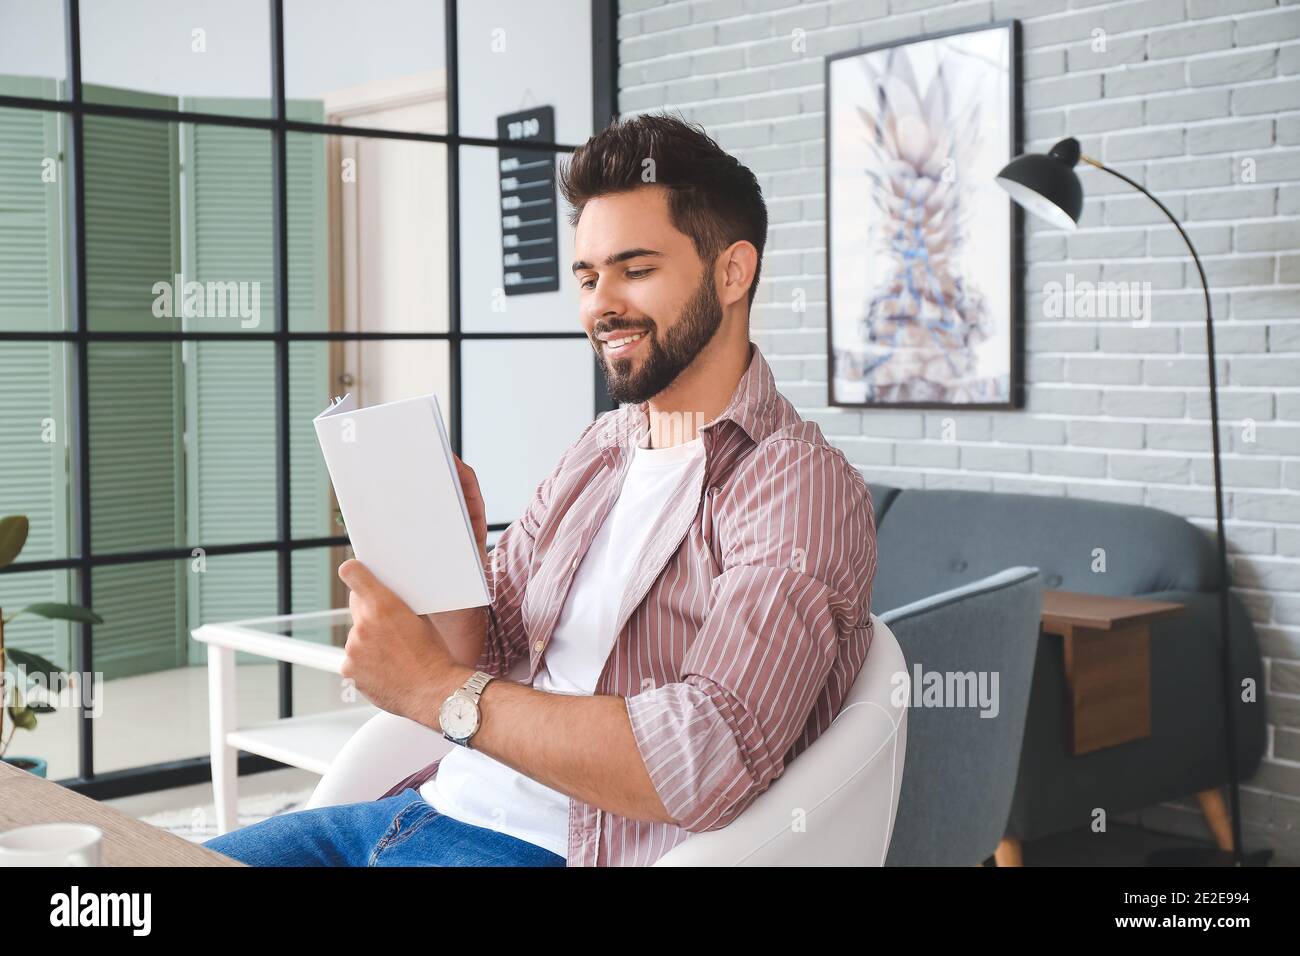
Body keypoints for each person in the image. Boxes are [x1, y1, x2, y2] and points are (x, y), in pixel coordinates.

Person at [203, 112, 877, 867]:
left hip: (544, 852)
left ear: (732, 272)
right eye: (588, 278)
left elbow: (705, 756)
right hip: (414, 810)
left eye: (636, 269)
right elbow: (488, 651)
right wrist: (450, 568)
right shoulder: (598, 452)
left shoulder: (797, 488)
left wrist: (433, 690)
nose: (601, 305)